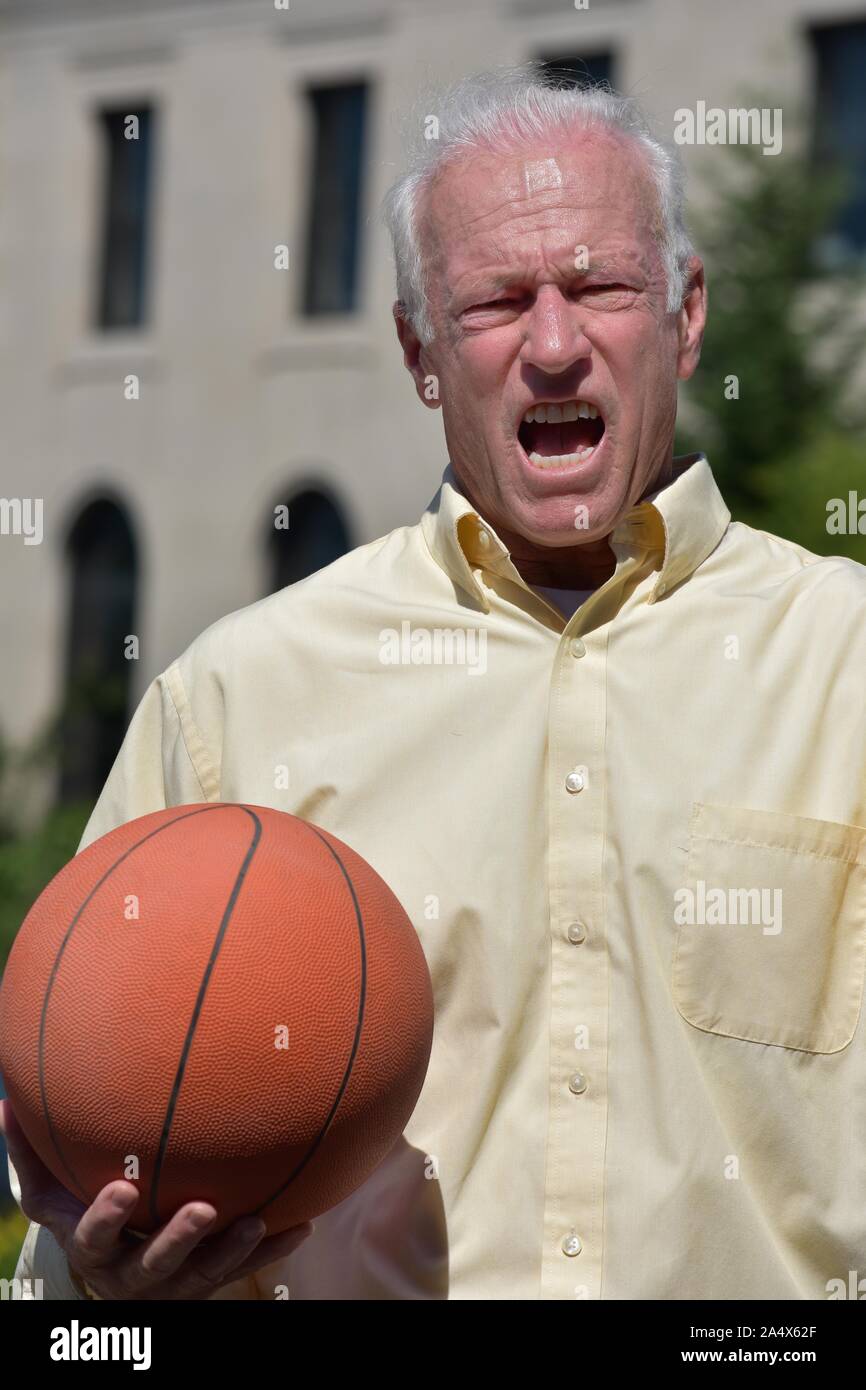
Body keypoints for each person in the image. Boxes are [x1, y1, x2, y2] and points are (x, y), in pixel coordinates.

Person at [5, 64, 866, 1300]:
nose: (555, 345)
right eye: (496, 302)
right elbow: (63, 1284)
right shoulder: (238, 700)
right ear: (418, 348)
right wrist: (104, 1302)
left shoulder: (839, 662)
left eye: (600, 287)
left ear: (683, 316)